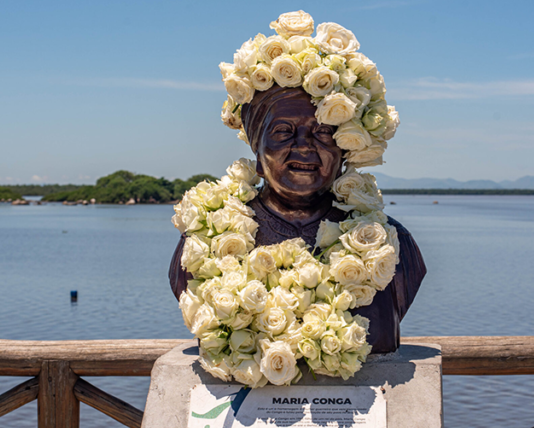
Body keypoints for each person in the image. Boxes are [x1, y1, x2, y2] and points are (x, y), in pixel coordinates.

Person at [169, 81, 425, 353]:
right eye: (283, 131)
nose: (304, 147)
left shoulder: (390, 245)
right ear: (257, 148)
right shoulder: (203, 245)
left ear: (344, 151)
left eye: (323, 131)